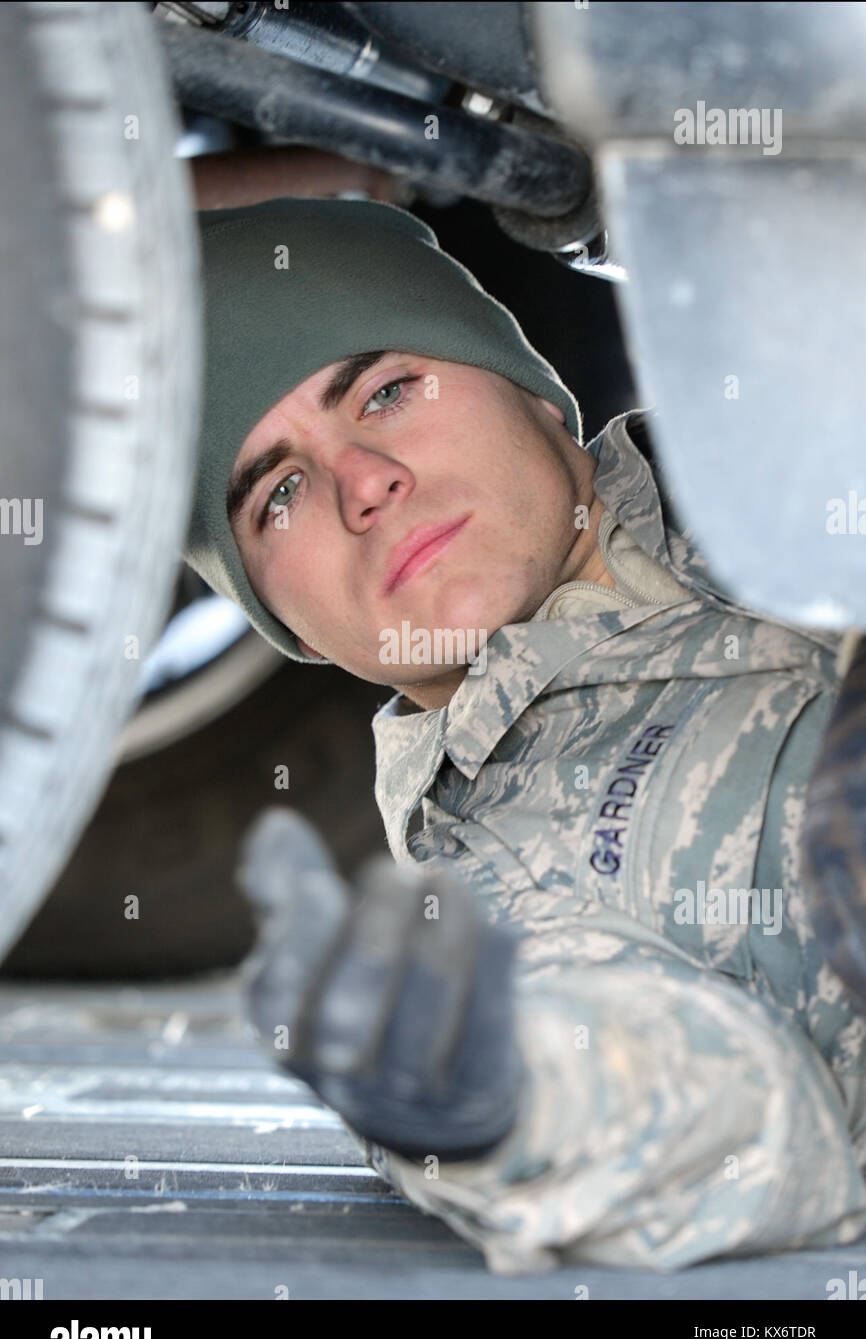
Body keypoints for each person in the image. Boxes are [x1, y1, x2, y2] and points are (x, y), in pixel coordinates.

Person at [183, 193, 866, 1274]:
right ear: (287, 626)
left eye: (388, 390)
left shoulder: (792, 454)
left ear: (540, 396)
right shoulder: (493, 881)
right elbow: (757, 1132)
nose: (364, 482)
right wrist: (489, 1086)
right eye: (277, 495)